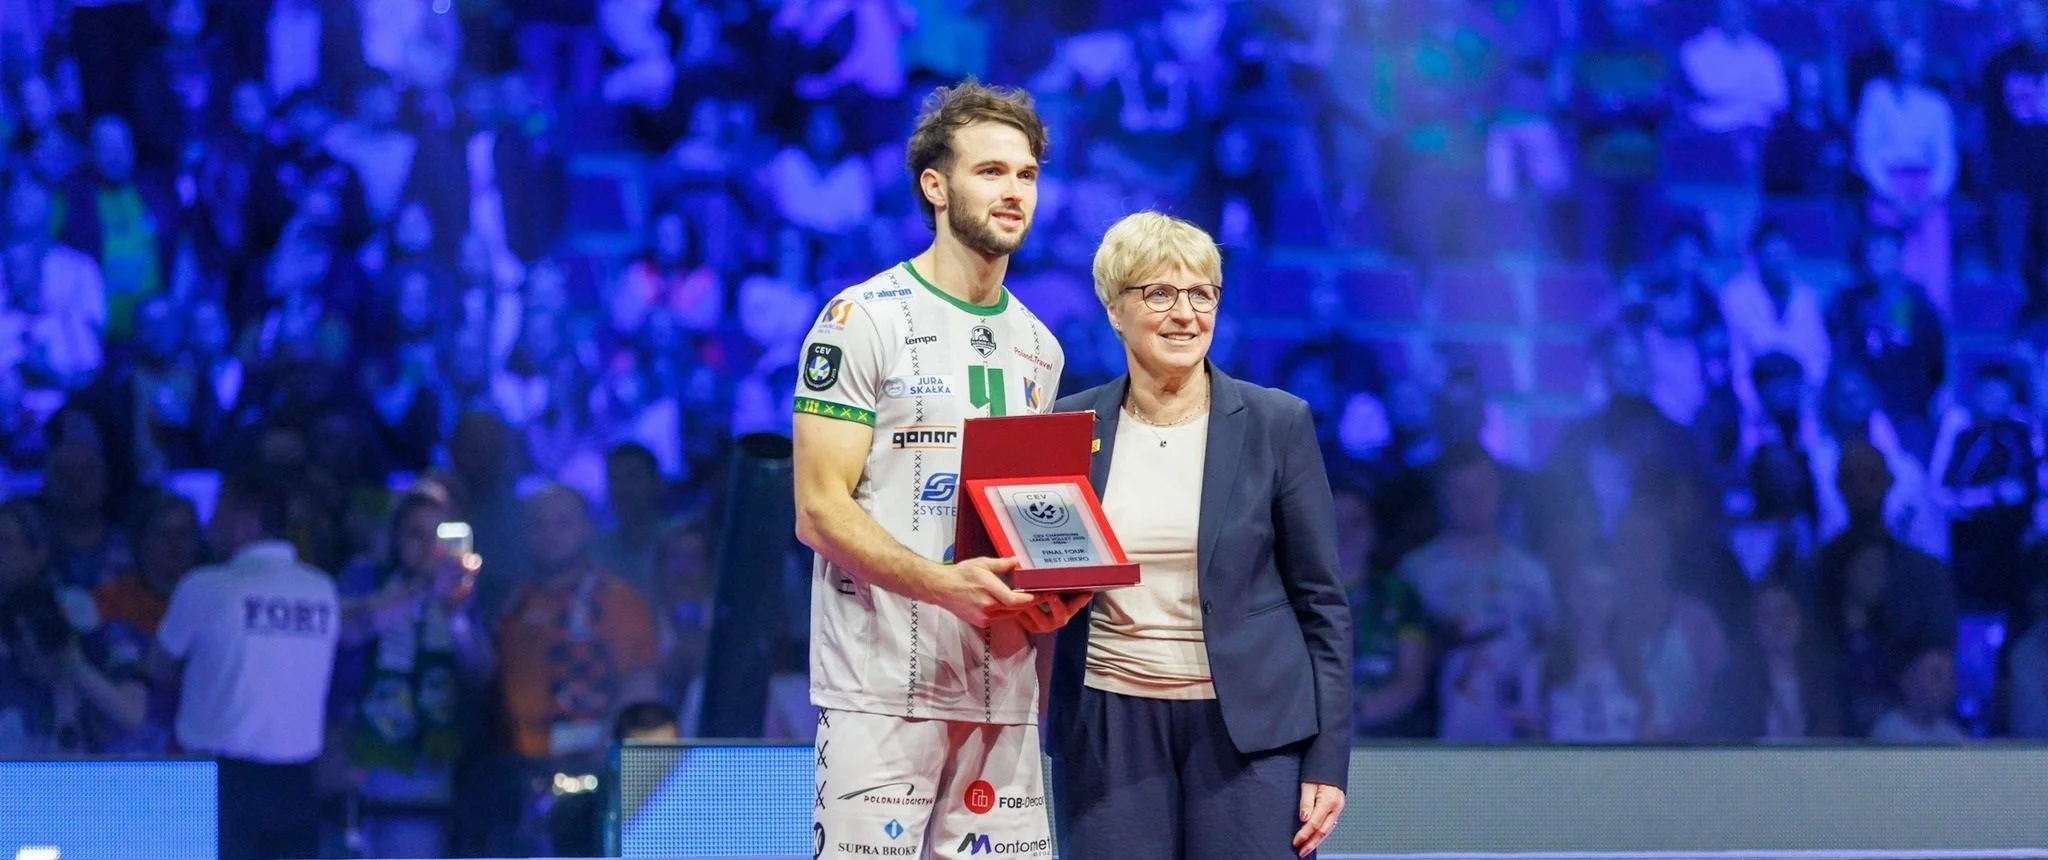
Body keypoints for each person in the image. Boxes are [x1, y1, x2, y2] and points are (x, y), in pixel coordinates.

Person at [791, 80, 1072, 860]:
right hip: (879, 692)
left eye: (1025, 174)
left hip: (1003, 697)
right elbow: (816, 510)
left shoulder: (1040, 348)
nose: (1013, 191)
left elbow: (1027, 516)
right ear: (936, 186)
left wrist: (1052, 596)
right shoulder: (861, 320)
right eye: (990, 172)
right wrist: (944, 583)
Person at [1049, 211, 1352, 860]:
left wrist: (1328, 758)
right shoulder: (1067, 425)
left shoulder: (1277, 422)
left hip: (1250, 732)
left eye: (1202, 294)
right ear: (1113, 308)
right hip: (1108, 722)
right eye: (1159, 293)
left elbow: (1322, 604)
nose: (1186, 314)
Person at [150, 473, 340, 860]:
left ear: (246, 519)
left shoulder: (205, 586)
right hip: (298, 786)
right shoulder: (322, 590)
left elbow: (158, 666)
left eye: (218, 511)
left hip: (218, 785)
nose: (210, 525)